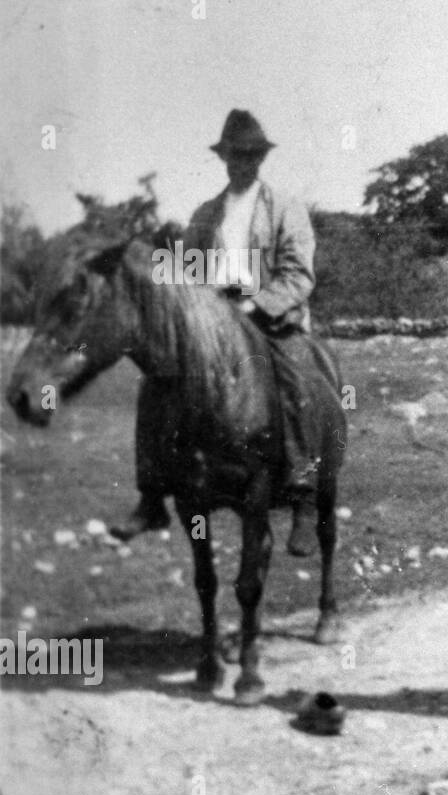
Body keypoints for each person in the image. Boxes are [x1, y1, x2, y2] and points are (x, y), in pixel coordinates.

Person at [112, 109, 323, 556]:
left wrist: (256, 304)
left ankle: (303, 492)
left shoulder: (285, 207)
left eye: (248, 155)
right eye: (233, 155)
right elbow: (183, 273)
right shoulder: (205, 214)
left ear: (260, 159)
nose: (240, 163)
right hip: (212, 323)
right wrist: (144, 259)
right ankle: (151, 495)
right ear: (224, 157)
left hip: (269, 317)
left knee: (298, 377)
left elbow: (299, 276)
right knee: (157, 381)